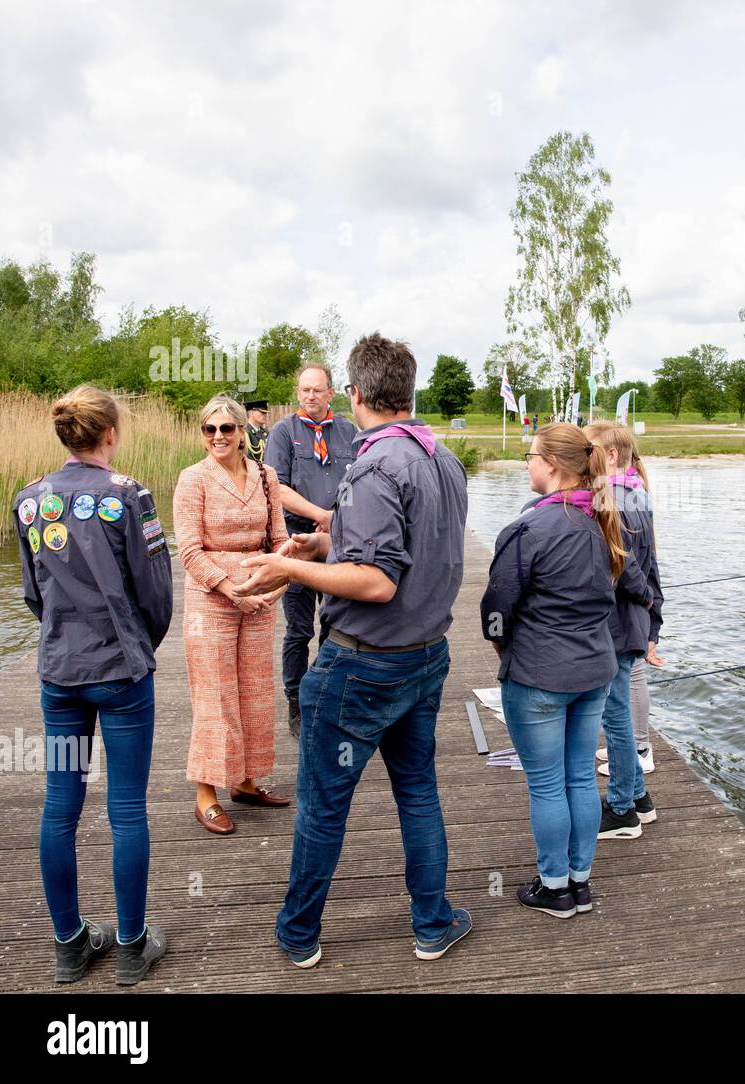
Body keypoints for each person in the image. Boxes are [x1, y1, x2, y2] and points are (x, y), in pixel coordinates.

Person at [235, 333, 471, 968]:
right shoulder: (444, 460)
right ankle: (432, 923)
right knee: (418, 791)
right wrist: (320, 547)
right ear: (409, 392)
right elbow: (392, 543)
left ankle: (299, 935)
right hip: (425, 657)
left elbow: (377, 579)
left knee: (322, 804)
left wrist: (286, 570)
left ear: (357, 395)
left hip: (362, 667)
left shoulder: (372, 464)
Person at [14, 385, 173, 986]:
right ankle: (131, 946)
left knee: (60, 807)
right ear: (111, 434)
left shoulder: (29, 502)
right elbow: (156, 595)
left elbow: (34, 593)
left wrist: (65, 637)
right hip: (122, 675)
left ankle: (69, 945)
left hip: (60, 676)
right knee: (126, 808)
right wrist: (136, 646)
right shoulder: (128, 496)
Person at [480, 423, 653, 919]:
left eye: (531, 456)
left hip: (538, 674)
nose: (527, 464)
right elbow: (625, 589)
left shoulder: (527, 529)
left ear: (552, 465)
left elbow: (496, 609)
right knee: (579, 777)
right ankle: (579, 882)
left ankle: (554, 888)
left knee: (547, 784)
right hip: (594, 670)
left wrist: (501, 649)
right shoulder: (603, 521)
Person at [175, 395, 290, 836]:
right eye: (210, 429)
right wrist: (231, 591)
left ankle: (246, 780)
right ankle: (207, 793)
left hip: (261, 595)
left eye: (227, 428)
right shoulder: (193, 479)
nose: (218, 437)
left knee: (256, 693)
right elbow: (187, 550)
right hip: (212, 598)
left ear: (243, 431)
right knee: (215, 694)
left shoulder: (266, 476)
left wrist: (277, 584)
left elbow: (279, 537)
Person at [264, 365, 359, 738]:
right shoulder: (284, 432)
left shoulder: (349, 432)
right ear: (297, 391)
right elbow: (277, 488)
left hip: (339, 540)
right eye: (304, 390)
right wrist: (320, 514)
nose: (310, 397)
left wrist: (337, 519)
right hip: (298, 539)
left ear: (331, 393)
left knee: (337, 624)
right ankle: (295, 700)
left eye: (317, 391)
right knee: (299, 628)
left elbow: (359, 481)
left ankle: (326, 693)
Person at [585, 421, 664, 840]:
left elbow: (625, 565)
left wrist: (649, 601)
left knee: (614, 718)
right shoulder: (637, 492)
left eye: (589, 450)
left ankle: (620, 810)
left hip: (618, 620)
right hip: (633, 620)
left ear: (610, 455)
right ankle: (639, 797)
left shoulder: (610, 497)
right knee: (616, 713)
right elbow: (650, 565)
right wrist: (655, 612)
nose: (584, 458)